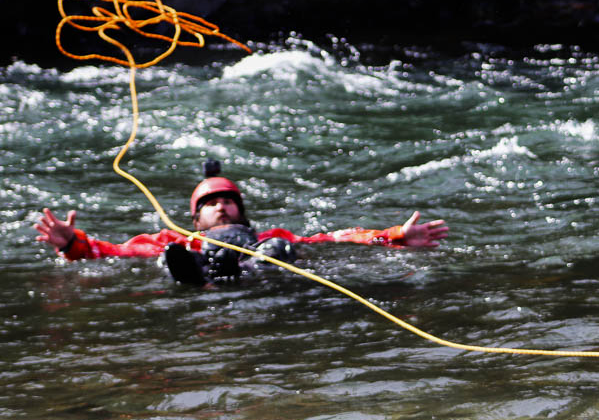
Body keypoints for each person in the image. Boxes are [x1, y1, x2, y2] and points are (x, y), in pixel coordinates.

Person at [34, 160, 450, 285]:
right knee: (171, 255)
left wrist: (392, 236)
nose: (221, 208)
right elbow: (112, 252)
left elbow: (337, 237)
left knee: (280, 249)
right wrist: (70, 242)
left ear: (241, 211)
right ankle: (198, 274)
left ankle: (247, 269)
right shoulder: (173, 239)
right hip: (198, 265)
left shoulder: (270, 235)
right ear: (196, 217)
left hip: (256, 265)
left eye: (228, 202)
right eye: (211, 204)